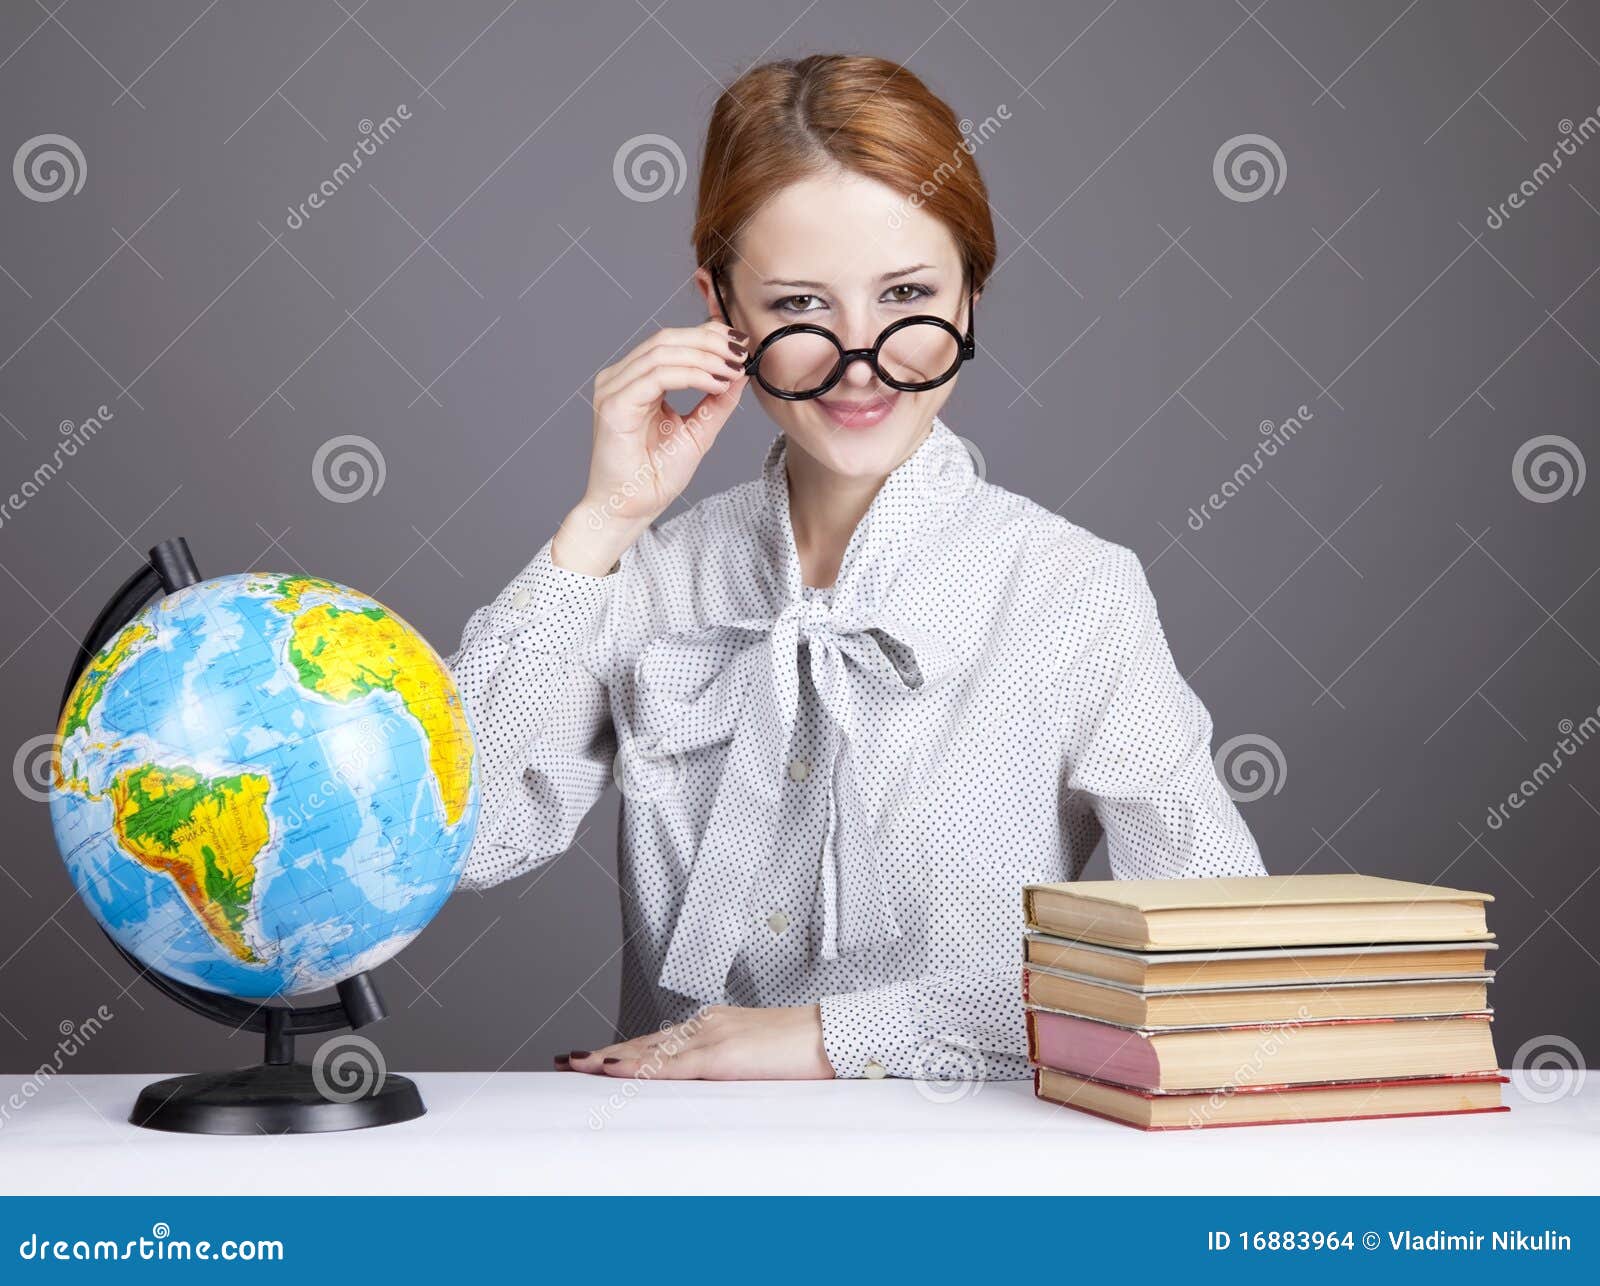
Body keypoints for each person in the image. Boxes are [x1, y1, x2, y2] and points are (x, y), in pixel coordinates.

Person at [446, 53, 1265, 1082]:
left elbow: (1215, 964)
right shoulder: (654, 581)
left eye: (908, 295)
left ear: (970, 294)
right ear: (722, 313)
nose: (863, 358)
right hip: (682, 1190)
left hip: (975, 1198)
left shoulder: (1070, 592)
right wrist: (599, 524)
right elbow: (456, 839)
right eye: (798, 307)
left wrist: (834, 1038)